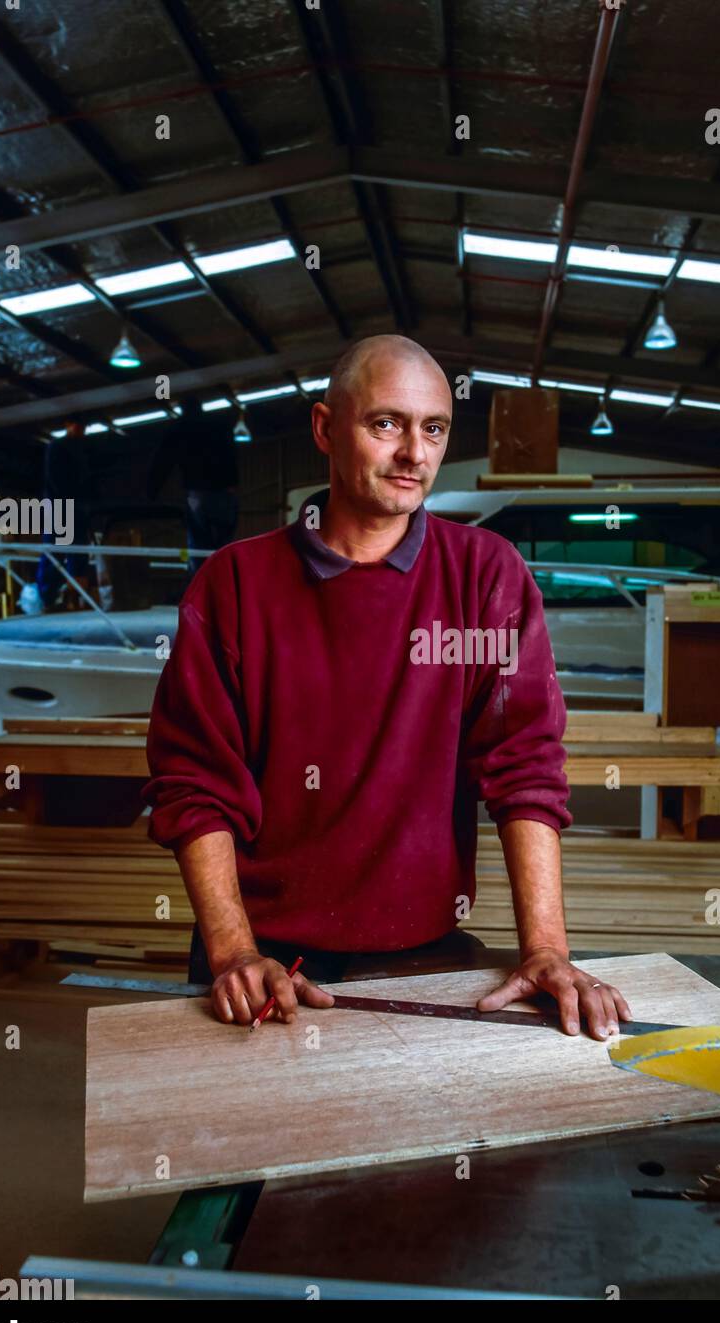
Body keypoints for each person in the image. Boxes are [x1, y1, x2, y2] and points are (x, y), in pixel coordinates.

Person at [142, 335, 631, 1040]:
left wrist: (546, 950)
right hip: (259, 957)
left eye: (432, 428)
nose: (414, 454)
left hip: (424, 949)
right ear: (324, 428)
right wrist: (234, 952)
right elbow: (193, 780)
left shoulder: (486, 575)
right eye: (385, 424)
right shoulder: (235, 583)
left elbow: (523, 766)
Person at [147, 396, 238, 573]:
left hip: (199, 491)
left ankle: (201, 582)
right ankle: (223, 577)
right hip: (224, 491)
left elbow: (162, 462)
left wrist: (151, 491)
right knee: (223, 542)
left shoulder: (180, 428)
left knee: (199, 544)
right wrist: (233, 485)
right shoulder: (219, 425)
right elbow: (232, 455)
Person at [35, 416, 96, 610]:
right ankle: (48, 597)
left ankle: (75, 598)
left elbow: (87, 480)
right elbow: (55, 479)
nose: (81, 430)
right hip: (59, 504)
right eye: (78, 426)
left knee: (78, 552)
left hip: (76, 506)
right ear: (68, 425)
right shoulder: (57, 447)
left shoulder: (83, 450)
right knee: (55, 550)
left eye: (83, 427)